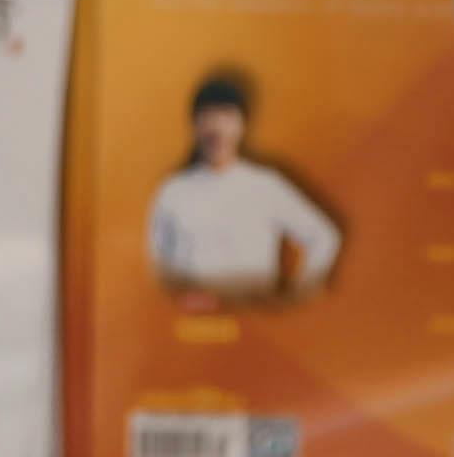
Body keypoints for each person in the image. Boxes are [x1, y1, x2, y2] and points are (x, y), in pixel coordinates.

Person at [142, 71, 345, 303]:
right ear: (195, 125)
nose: (217, 129)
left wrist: (300, 293)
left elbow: (324, 236)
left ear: (242, 124)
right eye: (207, 117)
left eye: (227, 117)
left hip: (257, 316)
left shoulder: (265, 185)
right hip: (194, 321)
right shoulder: (173, 190)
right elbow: (159, 264)